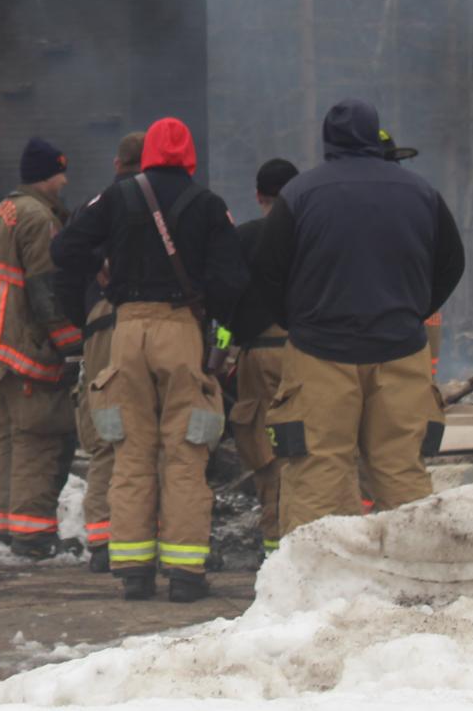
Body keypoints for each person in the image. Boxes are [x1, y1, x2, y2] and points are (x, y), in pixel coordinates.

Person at [247, 100, 465, 536]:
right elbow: (451, 263)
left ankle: (320, 587)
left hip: (319, 354)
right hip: (400, 352)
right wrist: (411, 311)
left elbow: (265, 270)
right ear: (375, 135)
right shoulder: (422, 193)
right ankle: (417, 580)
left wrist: (298, 320)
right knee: (401, 470)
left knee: (317, 472)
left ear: (327, 141)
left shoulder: (300, 195)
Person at [52, 117, 246, 603]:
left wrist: (98, 287)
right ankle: (184, 576)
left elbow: (65, 247)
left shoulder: (114, 198)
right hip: (181, 329)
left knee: (130, 453)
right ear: (190, 157)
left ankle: (134, 571)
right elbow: (231, 282)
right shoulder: (208, 205)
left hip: (126, 331)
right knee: (184, 455)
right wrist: (213, 316)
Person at [0, 137, 81, 559]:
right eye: (60, 173)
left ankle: (8, 526)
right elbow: (45, 287)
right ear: (45, 175)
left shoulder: (1, 212)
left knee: (14, 438)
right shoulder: (38, 218)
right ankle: (33, 534)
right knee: (42, 438)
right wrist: (69, 343)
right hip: (27, 346)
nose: (64, 181)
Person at [76, 131, 145, 572]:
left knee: (106, 438)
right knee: (154, 437)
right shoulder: (182, 202)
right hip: (160, 325)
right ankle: (146, 535)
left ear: (118, 163)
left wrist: (83, 312)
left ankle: (103, 542)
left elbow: (64, 254)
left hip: (103, 328)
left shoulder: (97, 206)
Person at [229, 158, 299, 556]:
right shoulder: (311, 236)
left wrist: (224, 348)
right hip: (309, 354)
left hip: (258, 356)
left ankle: (275, 546)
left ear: (259, 196)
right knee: (306, 446)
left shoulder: (244, 239)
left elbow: (226, 296)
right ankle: (304, 539)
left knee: (264, 448)